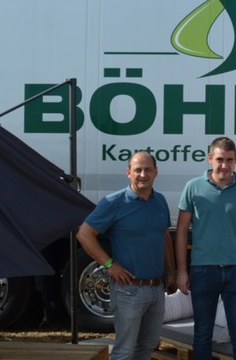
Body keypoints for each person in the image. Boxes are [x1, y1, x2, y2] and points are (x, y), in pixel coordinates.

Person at [77, 151, 176, 360]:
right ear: (128, 172)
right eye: (138, 170)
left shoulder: (160, 201)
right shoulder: (114, 202)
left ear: (156, 172)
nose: (143, 175)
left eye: (148, 170)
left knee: (147, 349)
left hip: (157, 289)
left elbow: (165, 236)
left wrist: (172, 271)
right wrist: (109, 265)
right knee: (124, 351)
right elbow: (84, 234)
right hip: (128, 290)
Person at [176, 137, 236, 360]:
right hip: (203, 271)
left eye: (229, 160)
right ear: (210, 158)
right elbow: (182, 230)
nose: (224, 165)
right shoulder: (193, 187)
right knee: (202, 335)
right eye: (220, 159)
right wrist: (182, 270)